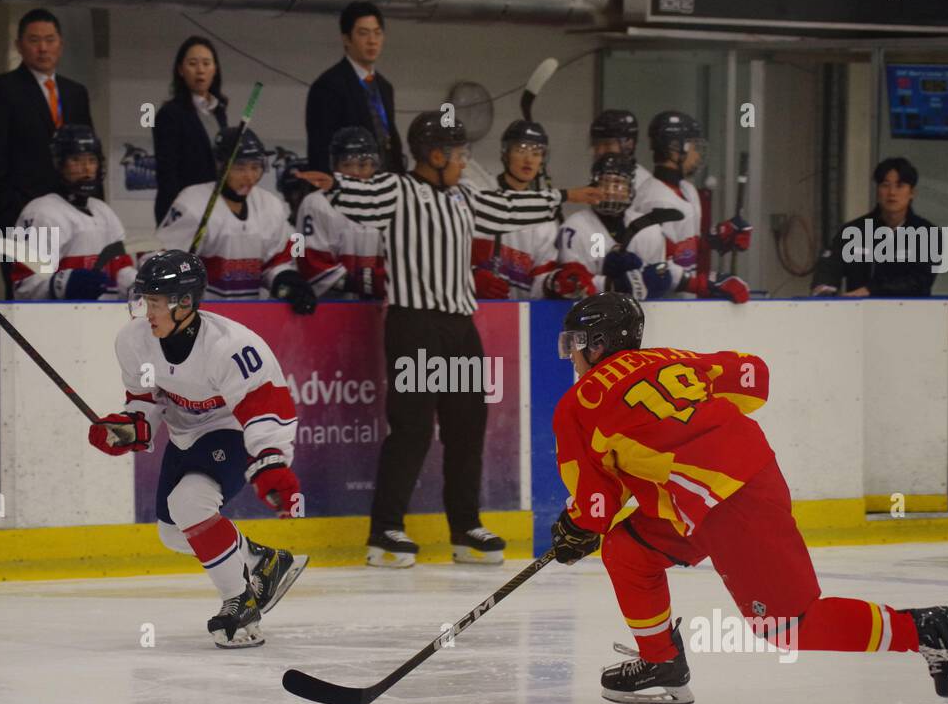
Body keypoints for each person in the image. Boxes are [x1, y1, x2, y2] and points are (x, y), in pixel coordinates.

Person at [549, 292, 948, 704]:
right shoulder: (673, 358)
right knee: (629, 550)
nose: (570, 356)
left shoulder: (575, 406)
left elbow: (596, 500)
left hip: (730, 504)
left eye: (573, 344)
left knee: (786, 625)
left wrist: (577, 529)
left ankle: (925, 629)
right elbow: (753, 377)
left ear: (599, 343)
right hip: (733, 484)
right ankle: (661, 662)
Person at [294, 113, 602, 568]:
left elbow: (509, 208)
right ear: (435, 156)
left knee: (467, 426)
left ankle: (465, 527)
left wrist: (565, 196)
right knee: (414, 428)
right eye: (459, 155)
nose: (464, 162)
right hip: (415, 323)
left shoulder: (463, 196)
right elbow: (357, 196)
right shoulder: (398, 191)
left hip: (459, 327)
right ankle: (385, 530)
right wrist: (332, 183)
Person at [90, 250, 309, 647]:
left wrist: (271, 461)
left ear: (185, 303)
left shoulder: (231, 346)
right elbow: (146, 399)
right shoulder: (134, 341)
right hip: (185, 435)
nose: (146, 310)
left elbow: (265, 408)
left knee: (190, 504)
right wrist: (130, 426)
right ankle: (264, 561)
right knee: (174, 533)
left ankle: (239, 604)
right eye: (145, 300)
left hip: (231, 429)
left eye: (155, 302)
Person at [155, 128, 315, 314]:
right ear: (220, 165)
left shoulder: (270, 205)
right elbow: (157, 262)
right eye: (240, 168)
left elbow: (276, 262)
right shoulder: (192, 203)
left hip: (253, 318)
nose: (249, 176)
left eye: (255, 167)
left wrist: (286, 280)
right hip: (201, 318)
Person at [556, 154, 750, 303]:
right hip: (591, 321)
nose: (613, 191)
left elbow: (662, 271)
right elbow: (572, 284)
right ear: (594, 184)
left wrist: (702, 284)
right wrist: (613, 285)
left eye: (620, 185)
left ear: (631, 190)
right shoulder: (575, 227)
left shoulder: (647, 227)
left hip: (638, 322)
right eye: (607, 183)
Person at [0, 9, 94, 240]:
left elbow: (90, 153)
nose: (43, 48)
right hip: (20, 215)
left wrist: (91, 206)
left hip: (72, 213)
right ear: (19, 45)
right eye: (34, 40)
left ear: (60, 44)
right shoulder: (1, 88)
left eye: (50, 40)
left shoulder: (76, 92)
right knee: (29, 276)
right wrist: (8, 212)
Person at [11, 125, 135, 300]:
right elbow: (24, 286)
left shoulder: (103, 211)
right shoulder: (41, 213)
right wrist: (63, 284)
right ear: (60, 165)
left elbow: (120, 269)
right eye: (76, 160)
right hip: (57, 321)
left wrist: (139, 286)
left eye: (92, 160)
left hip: (105, 318)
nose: (86, 168)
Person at [638, 111, 751, 285]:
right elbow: (658, 265)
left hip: (686, 302)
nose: (697, 155)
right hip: (663, 304)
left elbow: (685, 249)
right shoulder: (655, 199)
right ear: (675, 147)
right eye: (693, 146)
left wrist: (717, 237)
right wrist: (702, 285)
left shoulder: (687, 189)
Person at [811, 157, 939, 297]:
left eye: (899, 185)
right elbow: (829, 267)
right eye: (885, 185)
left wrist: (871, 290)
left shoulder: (929, 234)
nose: (892, 192)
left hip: (910, 314)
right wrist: (823, 291)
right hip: (859, 315)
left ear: (912, 193)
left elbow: (920, 281)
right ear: (877, 191)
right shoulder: (854, 231)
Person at [468, 120, 564, 300]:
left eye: (536, 153)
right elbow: (448, 254)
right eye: (521, 150)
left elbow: (541, 279)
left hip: (520, 318)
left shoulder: (545, 218)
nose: (529, 159)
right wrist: (470, 278)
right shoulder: (479, 198)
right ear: (505, 154)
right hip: (471, 312)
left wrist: (555, 283)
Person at [305, 1, 404, 174]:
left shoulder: (384, 86)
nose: (372, 41)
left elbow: (389, 142)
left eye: (377, 33)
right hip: (349, 187)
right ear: (346, 39)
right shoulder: (328, 85)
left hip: (387, 184)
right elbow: (320, 149)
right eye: (363, 34)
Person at [294, 127, 387, 300]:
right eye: (347, 165)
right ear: (334, 166)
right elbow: (305, 260)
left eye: (363, 164)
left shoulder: (388, 202)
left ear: (375, 166)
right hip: (330, 309)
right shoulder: (315, 203)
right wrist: (370, 283)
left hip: (380, 310)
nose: (356, 172)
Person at [152, 37, 229, 226]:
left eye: (206, 63)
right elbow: (167, 174)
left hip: (216, 208)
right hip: (185, 210)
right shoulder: (170, 114)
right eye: (192, 64)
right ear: (180, 70)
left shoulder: (219, 111)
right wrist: (177, 213)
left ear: (215, 69)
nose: (200, 70)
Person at [589, 109, 654, 215]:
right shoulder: (599, 177)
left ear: (629, 144)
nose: (600, 151)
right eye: (596, 144)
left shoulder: (645, 184)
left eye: (607, 144)